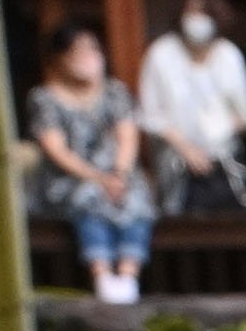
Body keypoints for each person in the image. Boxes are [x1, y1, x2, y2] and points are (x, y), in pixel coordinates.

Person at [26, 21, 155, 303]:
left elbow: (127, 137)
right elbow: (56, 150)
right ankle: (102, 274)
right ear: (60, 59)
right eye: (78, 51)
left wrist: (119, 174)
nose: (87, 57)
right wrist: (98, 178)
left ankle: (128, 274)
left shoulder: (115, 92)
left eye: (92, 49)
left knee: (136, 195)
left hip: (116, 175)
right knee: (90, 196)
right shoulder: (44, 98)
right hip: (70, 178)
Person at [135, 0, 246, 214]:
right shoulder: (160, 53)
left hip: (224, 156)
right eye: (191, 12)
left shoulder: (229, 55)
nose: (197, 19)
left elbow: (245, 115)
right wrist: (187, 149)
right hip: (175, 157)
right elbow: (150, 115)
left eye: (204, 13)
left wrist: (217, 135)